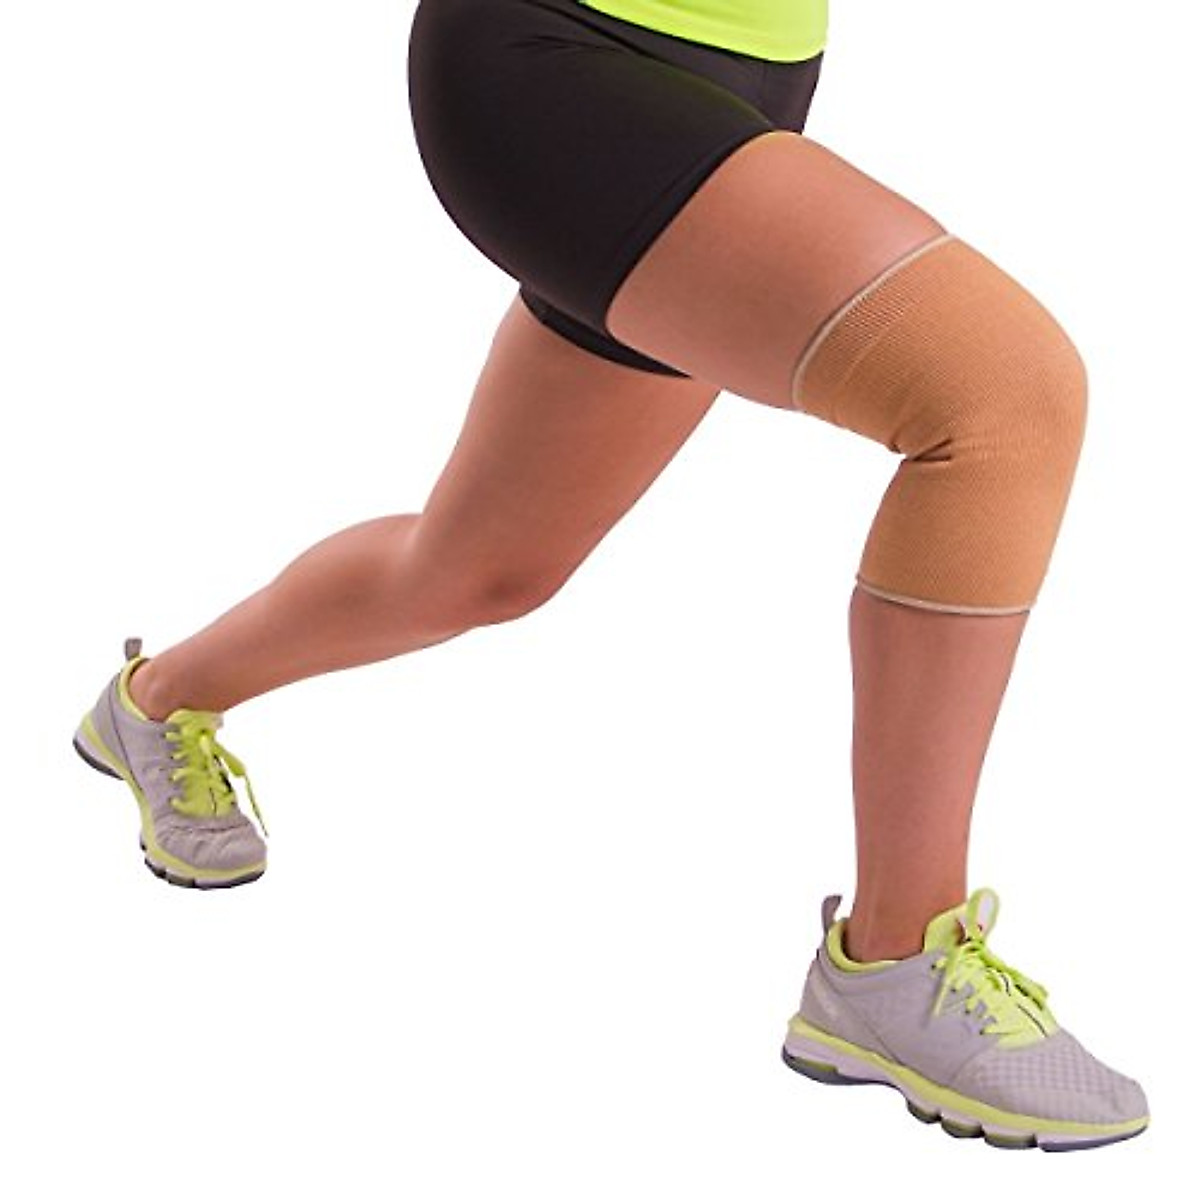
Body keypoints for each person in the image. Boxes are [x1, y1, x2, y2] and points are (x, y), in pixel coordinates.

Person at [72, 0, 1148, 1150]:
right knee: (1000, 397)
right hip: (555, 63)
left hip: (738, 79)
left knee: (481, 568)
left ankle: (156, 702)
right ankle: (897, 959)